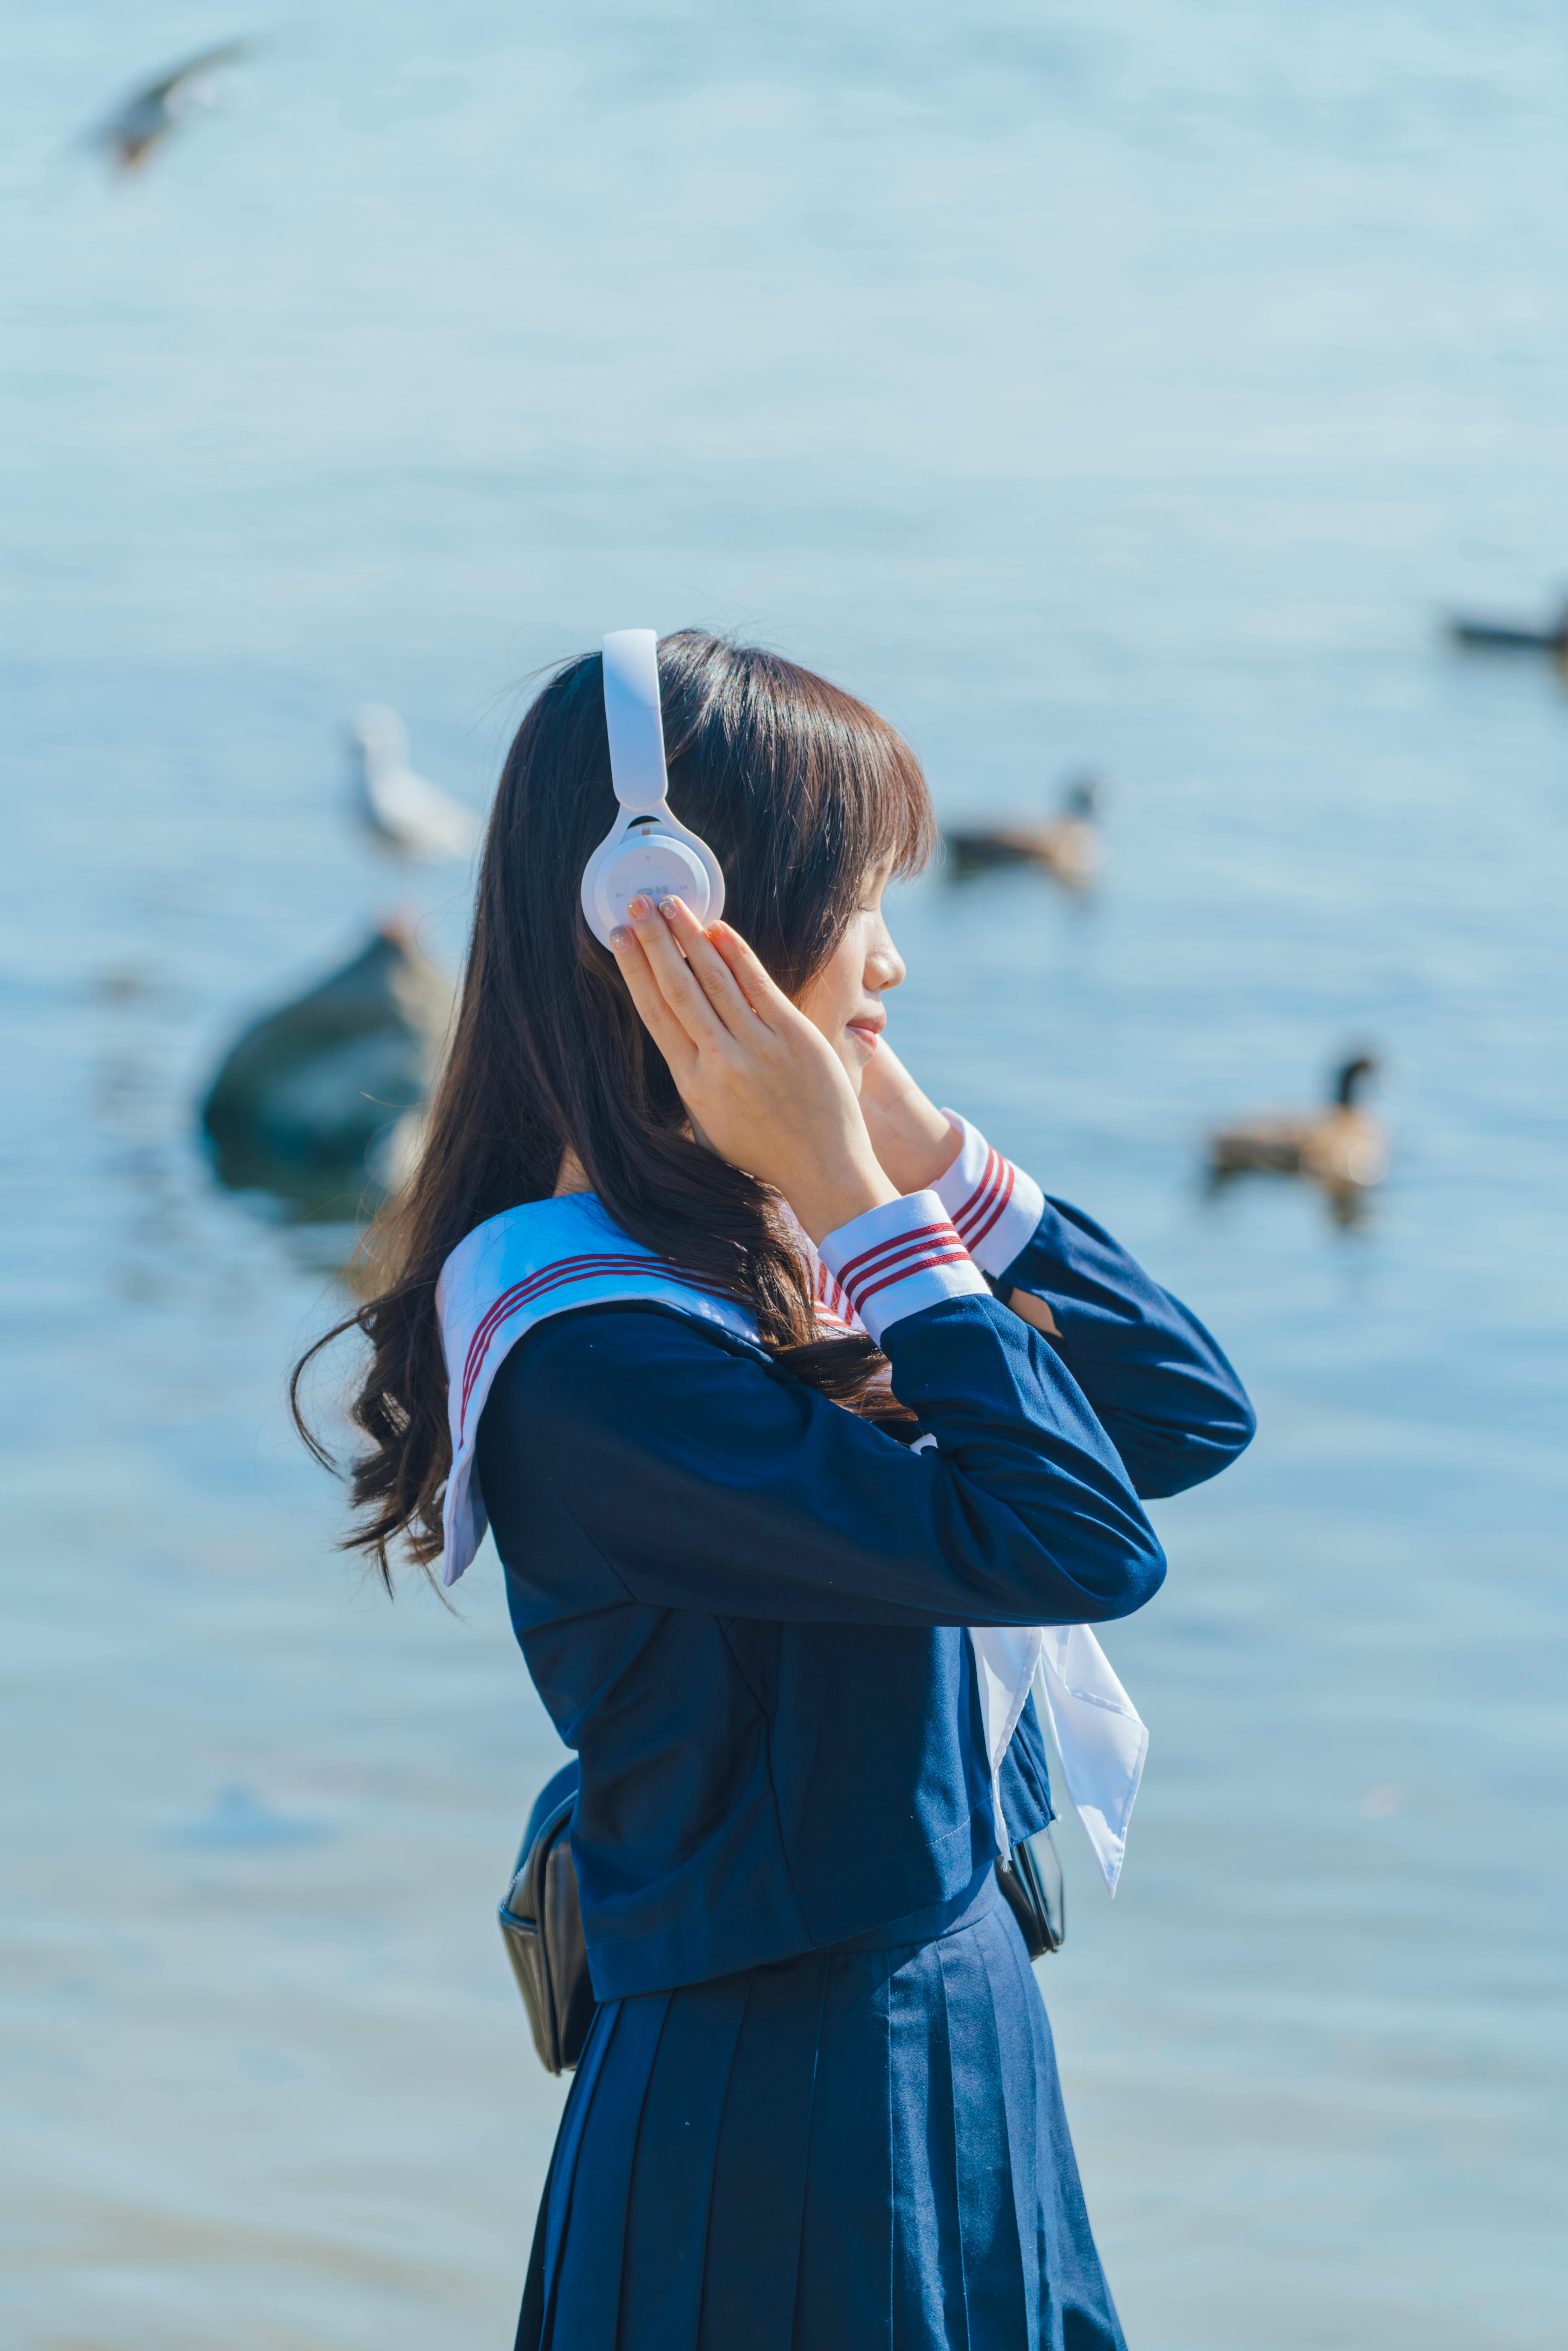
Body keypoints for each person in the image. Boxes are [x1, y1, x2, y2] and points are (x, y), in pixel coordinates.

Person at [296, 632, 1254, 2351]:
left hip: (946, 2028)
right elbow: (1077, 1542)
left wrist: (916, 1154)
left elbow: (1183, 1415)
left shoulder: (767, 1251)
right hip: (784, 2105)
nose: (889, 957)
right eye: (854, 900)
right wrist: (848, 1187)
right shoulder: (591, 1354)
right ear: (663, 918)